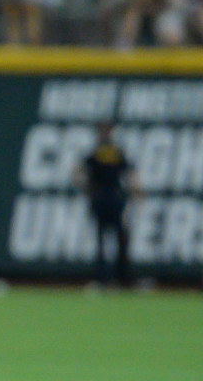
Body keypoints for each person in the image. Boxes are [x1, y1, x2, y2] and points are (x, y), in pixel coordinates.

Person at [76, 121, 139, 288]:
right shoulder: (109, 152)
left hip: (106, 199)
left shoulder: (101, 152)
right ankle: (114, 278)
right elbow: (131, 174)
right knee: (109, 238)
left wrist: (87, 189)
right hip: (110, 199)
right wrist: (135, 190)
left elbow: (78, 173)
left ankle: (112, 278)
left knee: (111, 238)